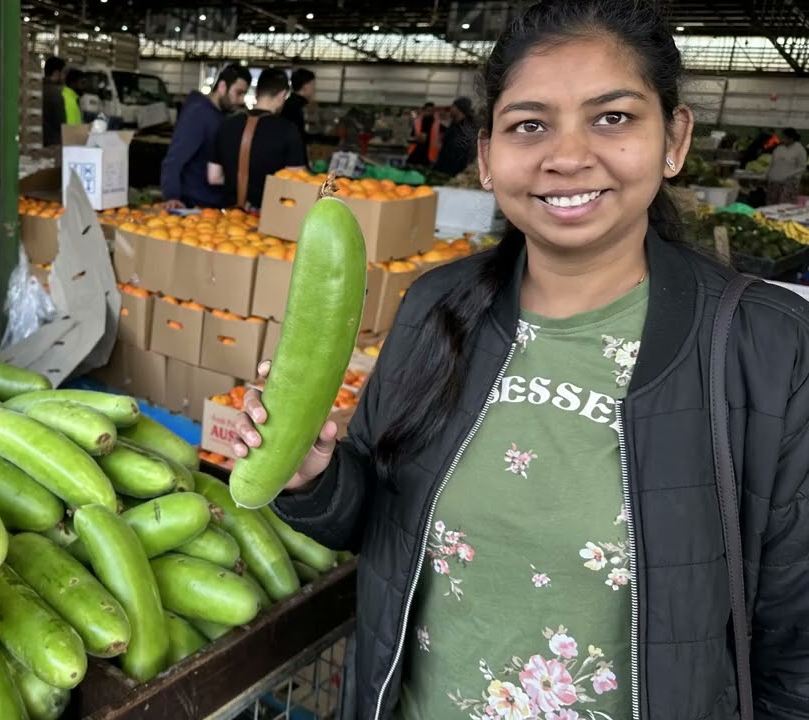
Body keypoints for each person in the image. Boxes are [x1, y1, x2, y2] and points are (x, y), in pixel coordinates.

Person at [234, 1, 809, 719]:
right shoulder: (436, 308)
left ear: (675, 137)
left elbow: (795, 652)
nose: (567, 156)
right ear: (485, 156)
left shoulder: (771, 348)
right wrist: (313, 477)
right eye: (529, 125)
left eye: (612, 118)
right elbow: (383, 527)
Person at [208, 68, 306, 211]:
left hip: (228, 217)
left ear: (257, 92)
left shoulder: (226, 125)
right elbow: (297, 180)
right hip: (268, 217)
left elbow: (213, 177)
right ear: (282, 95)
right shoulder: (287, 130)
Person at [160, 64, 250, 210]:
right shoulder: (198, 114)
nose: (241, 100)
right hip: (193, 204)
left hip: (211, 204)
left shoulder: (220, 116)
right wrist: (172, 196)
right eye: (238, 93)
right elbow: (174, 158)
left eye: (244, 94)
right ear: (222, 87)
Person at [432, 96, 477, 176]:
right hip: (443, 169)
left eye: (453, 106)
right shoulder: (454, 124)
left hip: (454, 171)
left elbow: (462, 152)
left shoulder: (467, 128)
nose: (451, 108)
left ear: (459, 109)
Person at [766, 127, 805, 205]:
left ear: (791, 138)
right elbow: (772, 163)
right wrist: (768, 175)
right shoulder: (778, 149)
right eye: (782, 137)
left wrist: (788, 175)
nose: (782, 139)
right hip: (774, 181)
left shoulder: (800, 150)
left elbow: (801, 167)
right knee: (771, 204)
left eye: (784, 137)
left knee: (784, 205)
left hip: (789, 183)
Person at [282, 68, 316, 151]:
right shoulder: (296, 106)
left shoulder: (292, 103)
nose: (314, 88)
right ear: (305, 86)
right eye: (312, 84)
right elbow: (298, 135)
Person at [42, 56, 66, 147]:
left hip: (41, 140)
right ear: (56, 73)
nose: (64, 77)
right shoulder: (56, 93)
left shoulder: (39, 88)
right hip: (53, 142)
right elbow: (60, 122)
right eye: (63, 72)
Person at [406, 102, 437, 167]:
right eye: (428, 110)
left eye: (432, 111)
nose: (430, 113)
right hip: (415, 154)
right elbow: (410, 138)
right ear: (424, 111)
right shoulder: (417, 122)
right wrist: (416, 138)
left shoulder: (437, 124)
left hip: (429, 156)